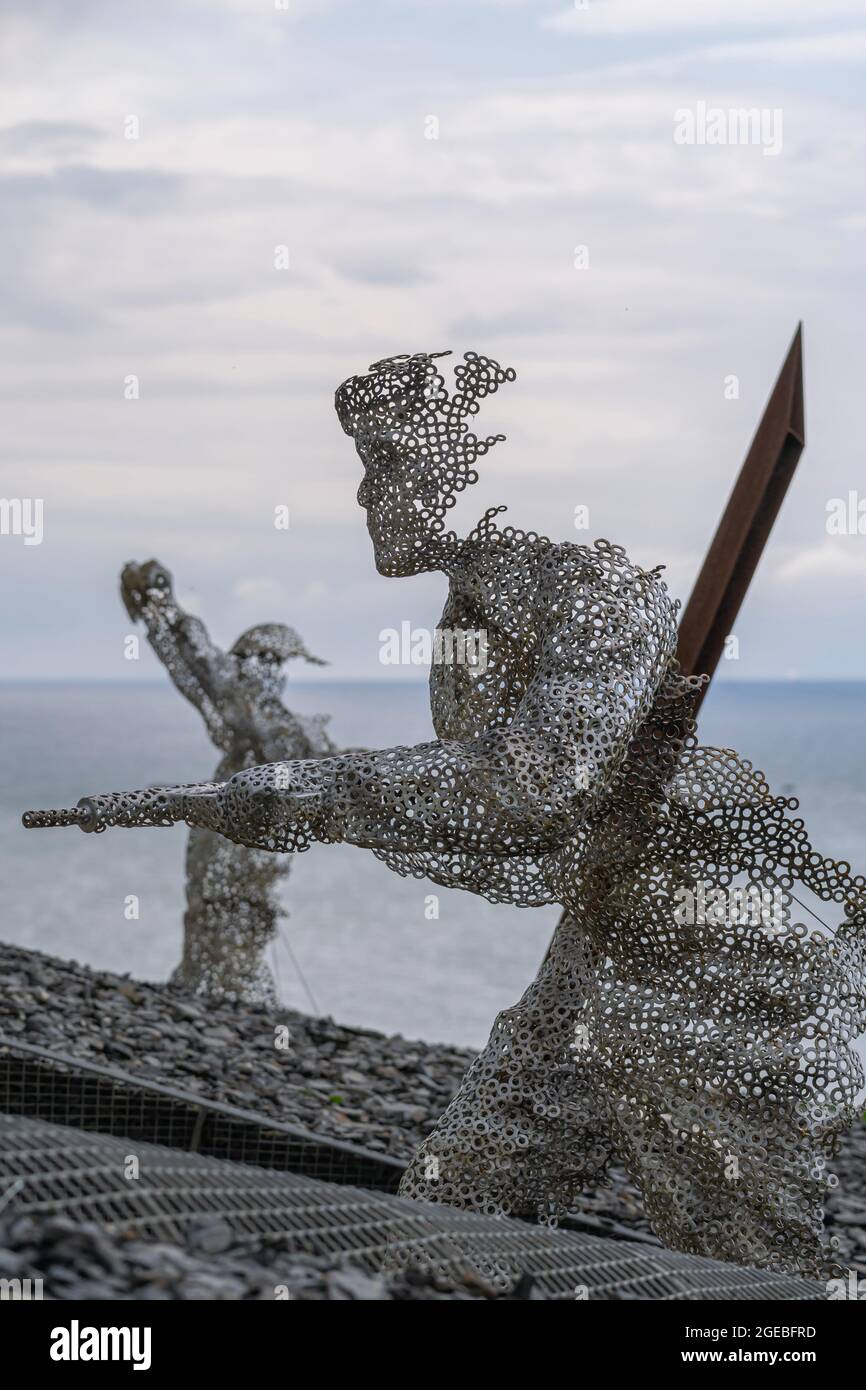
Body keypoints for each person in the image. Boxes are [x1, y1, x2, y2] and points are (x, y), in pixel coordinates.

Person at [27, 352, 866, 1277]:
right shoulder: (477, 608)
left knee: (754, 1266)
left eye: (384, 462)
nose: (362, 494)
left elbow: (530, 786)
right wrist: (282, 794)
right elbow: (478, 789)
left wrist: (306, 793)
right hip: (597, 945)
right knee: (451, 1207)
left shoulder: (592, 594)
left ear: (464, 468)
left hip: (689, 968)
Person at [120, 558, 334, 1004]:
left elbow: (204, 673)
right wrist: (165, 610)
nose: (276, 673)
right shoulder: (254, 712)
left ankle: (224, 992)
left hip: (242, 849)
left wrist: (164, 610)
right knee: (218, 909)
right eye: (271, 662)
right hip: (227, 839)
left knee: (233, 914)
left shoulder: (277, 725)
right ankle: (220, 994)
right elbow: (201, 669)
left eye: (281, 664)